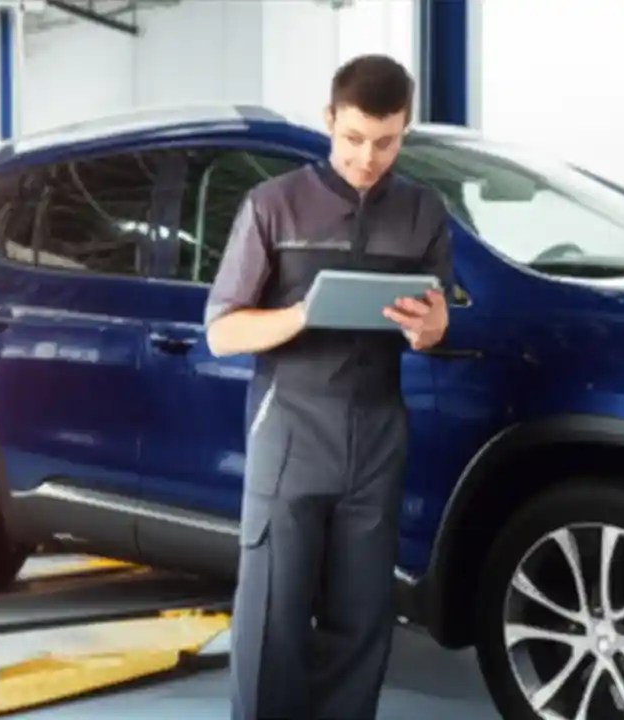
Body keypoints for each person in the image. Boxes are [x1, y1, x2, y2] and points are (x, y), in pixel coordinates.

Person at [203, 54, 453, 720]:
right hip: (290, 428)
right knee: (273, 618)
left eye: (386, 141)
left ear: (405, 129)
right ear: (328, 121)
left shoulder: (423, 211)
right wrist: (300, 315)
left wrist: (433, 327)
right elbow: (221, 331)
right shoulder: (273, 206)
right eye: (353, 139)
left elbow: (438, 319)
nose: (368, 157)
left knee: (362, 618)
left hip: (377, 433)